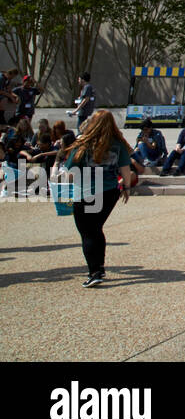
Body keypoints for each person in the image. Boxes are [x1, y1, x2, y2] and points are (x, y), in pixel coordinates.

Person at [59, 110, 133, 287]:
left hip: (86, 192)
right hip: (109, 191)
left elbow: (69, 173)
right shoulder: (118, 144)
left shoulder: (83, 144)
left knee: (87, 232)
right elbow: (125, 169)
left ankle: (94, 271)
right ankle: (100, 265)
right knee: (97, 228)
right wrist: (127, 188)